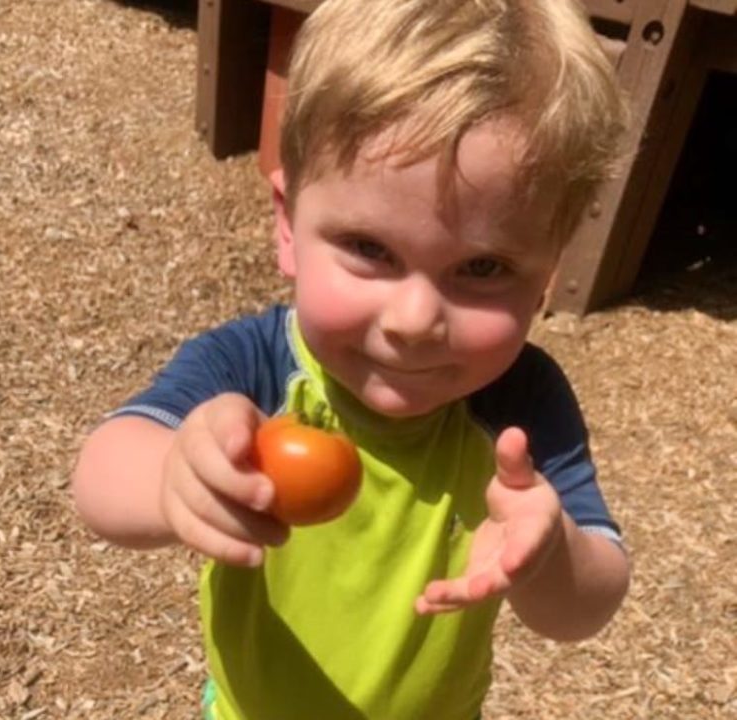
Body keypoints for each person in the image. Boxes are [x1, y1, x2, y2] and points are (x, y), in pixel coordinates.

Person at [73, 0, 631, 717]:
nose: (415, 321)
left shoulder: (519, 408)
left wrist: (550, 550)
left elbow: (586, 608)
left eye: (484, 268)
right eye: (372, 250)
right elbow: (100, 476)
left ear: (549, 271)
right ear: (287, 224)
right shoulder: (254, 370)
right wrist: (174, 472)